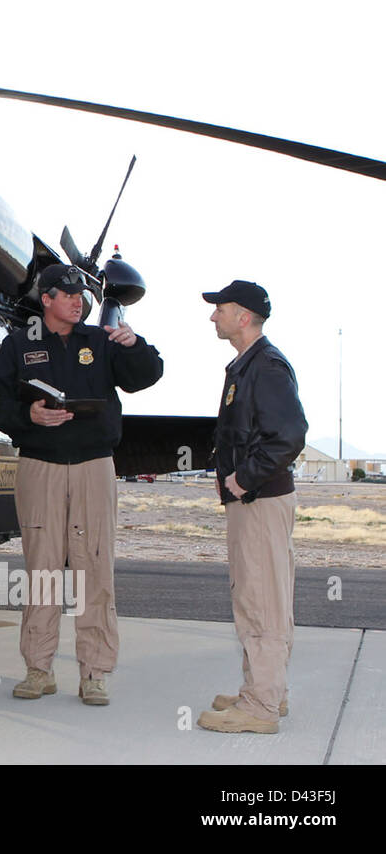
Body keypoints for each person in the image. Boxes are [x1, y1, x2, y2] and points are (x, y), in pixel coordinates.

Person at [0, 264, 163, 705]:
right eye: (68, 294)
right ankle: (38, 669)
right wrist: (28, 417)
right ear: (47, 299)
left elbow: (148, 374)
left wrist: (135, 344)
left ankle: (95, 673)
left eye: (81, 295)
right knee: (42, 568)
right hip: (40, 465)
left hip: (93, 465)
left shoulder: (101, 342)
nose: (78, 301)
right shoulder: (20, 344)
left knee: (94, 567)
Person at [196, 280, 306, 734]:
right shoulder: (247, 365)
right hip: (252, 501)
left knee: (261, 601)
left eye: (219, 309)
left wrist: (243, 478)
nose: (212, 316)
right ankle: (265, 690)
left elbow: (289, 435)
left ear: (243, 316)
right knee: (259, 597)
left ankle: (260, 707)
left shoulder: (268, 366)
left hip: (259, 499)